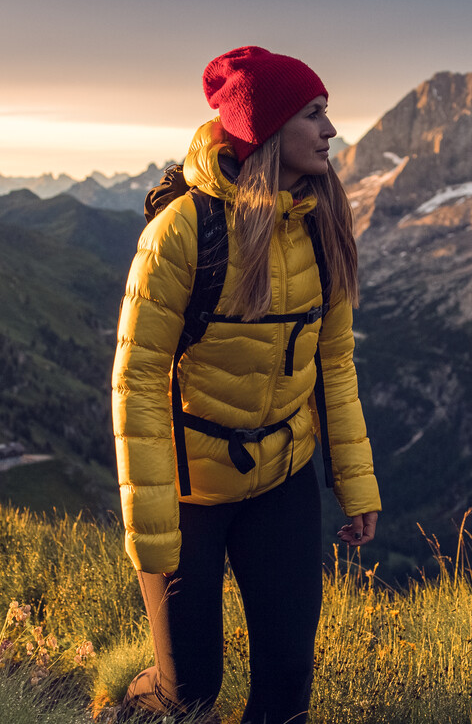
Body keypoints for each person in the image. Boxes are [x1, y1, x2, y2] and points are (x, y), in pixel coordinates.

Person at [113, 46, 382, 724]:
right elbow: (139, 379)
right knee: (191, 693)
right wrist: (152, 532)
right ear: (266, 130)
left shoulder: (321, 225)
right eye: (314, 115)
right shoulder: (182, 231)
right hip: (189, 491)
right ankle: (130, 704)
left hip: (282, 478)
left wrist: (356, 485)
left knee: (288, 683)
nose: (331, 131)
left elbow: (335, 366)